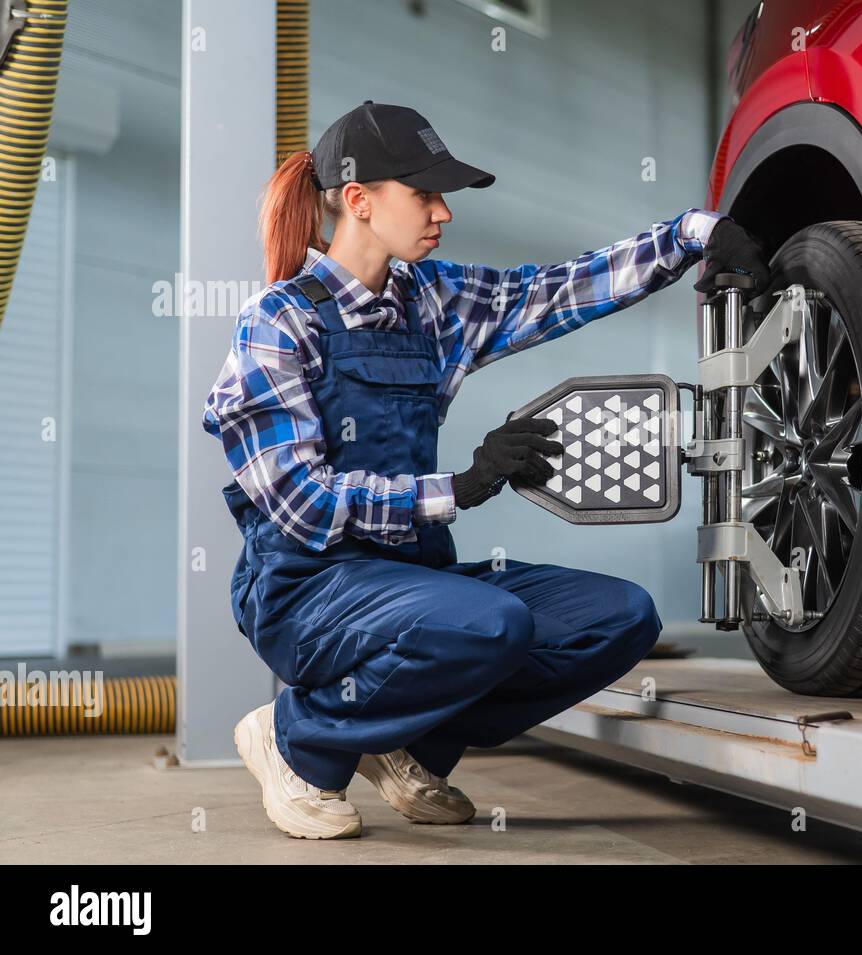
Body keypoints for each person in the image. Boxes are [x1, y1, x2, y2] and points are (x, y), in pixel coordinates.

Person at [201, 100, 770, 839]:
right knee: (492, 624)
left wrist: (695, 236)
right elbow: (301, 504)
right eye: (423, 194)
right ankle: (298, 736)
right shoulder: (278, 321)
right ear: (358, 200)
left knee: (619, 618)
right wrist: (460, 489)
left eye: (445, 196)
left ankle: (408, 745)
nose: (442, 212)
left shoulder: (432, 300)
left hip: (413, 580)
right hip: (308, 589)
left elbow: (564, 288)